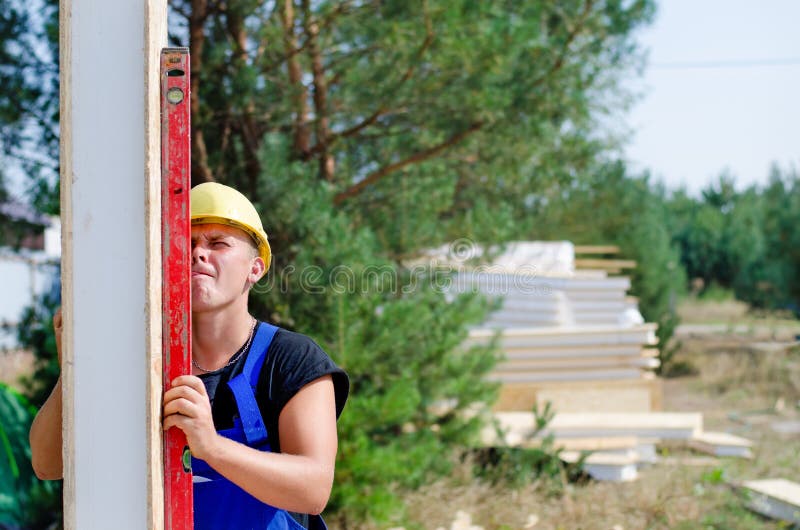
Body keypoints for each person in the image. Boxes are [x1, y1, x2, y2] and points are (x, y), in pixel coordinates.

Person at [30, 182, 349, 530]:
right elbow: (48, 465)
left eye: (218, 243)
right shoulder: (143, 364)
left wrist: (212, 447)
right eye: (188, 243)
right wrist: (73, 373)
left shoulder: (292, 359)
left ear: (255, 269)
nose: (198, 253)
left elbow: (313, 489)